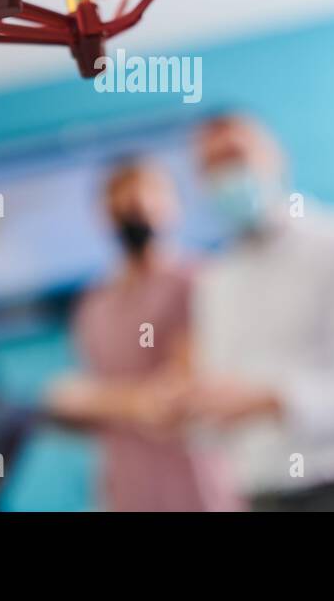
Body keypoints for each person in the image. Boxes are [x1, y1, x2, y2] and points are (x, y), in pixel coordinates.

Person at [184, 114, 334, 511]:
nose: (225, 174)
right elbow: (220, 405)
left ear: (276, 157)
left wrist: (273, 400)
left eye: (235, 155)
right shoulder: (215, 281)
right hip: (261, 494)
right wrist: (191, 406)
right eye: (211, 165)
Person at [45, 158, 235, 511]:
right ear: (102, 214)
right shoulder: (93, 304)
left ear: (174, 205)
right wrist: (98, 403)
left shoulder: (198, 282)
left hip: (199, 489)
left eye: (148, 196)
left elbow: (175, 400)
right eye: (122, 201)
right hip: (126, 493)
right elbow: (79, 409)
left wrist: (86, 398)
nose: (136, 210)